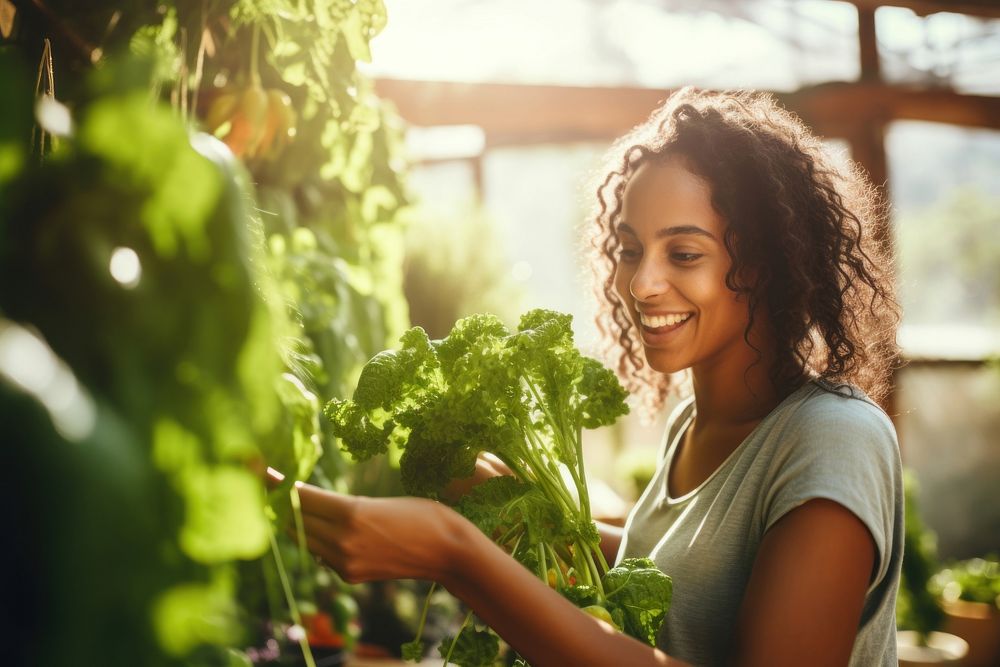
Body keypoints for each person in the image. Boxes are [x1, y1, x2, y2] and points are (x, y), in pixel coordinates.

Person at [287, 87, 903, 666]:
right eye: (630, 249)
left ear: (767, 265)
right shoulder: (692, 420)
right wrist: (519, 512)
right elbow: (679, 582)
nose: (640, 284)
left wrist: (458, 555)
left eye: (683, 254)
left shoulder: (833, 437)